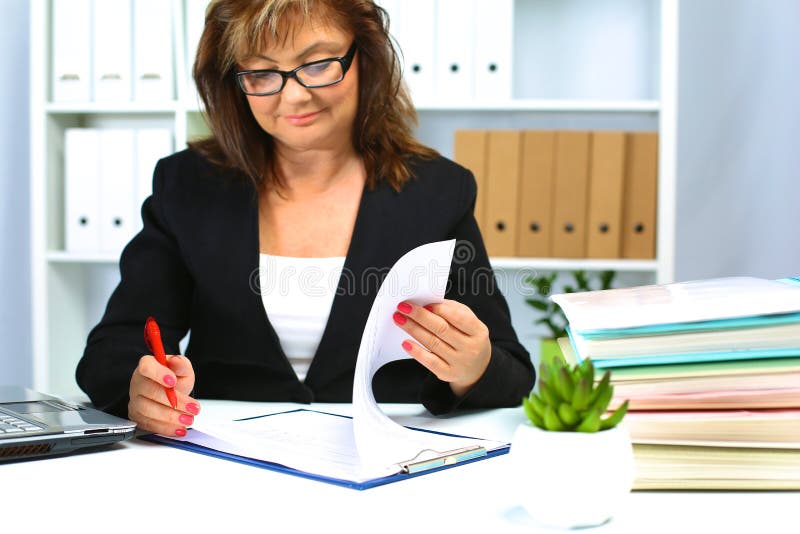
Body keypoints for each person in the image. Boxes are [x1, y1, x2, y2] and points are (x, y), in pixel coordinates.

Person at [76, 0, 534, 437]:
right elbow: (111, 353)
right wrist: (140, 389)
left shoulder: (438, 190)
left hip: (386, 464)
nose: (293, 95)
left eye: (317, 65)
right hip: (224, 464)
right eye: (261, 72)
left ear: (365, 57)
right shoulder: (186, 183)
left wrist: (472, 368)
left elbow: (511, 371)